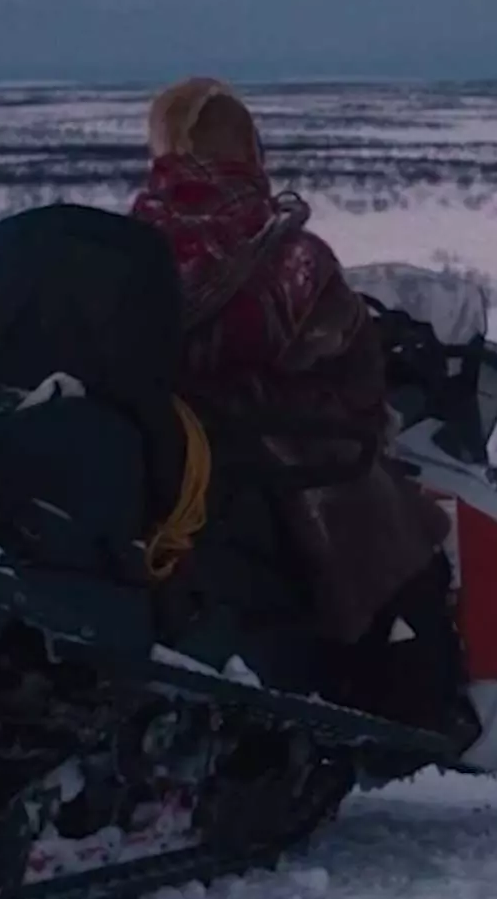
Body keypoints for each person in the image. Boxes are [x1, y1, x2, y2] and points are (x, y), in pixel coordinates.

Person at [130, 77, 473, 742]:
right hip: (255, 455)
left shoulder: (136, 240)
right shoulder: (291, 258)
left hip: (160, 442)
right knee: (406, 532)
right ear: (246, 150)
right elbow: (356, 377)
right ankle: (404, 704)